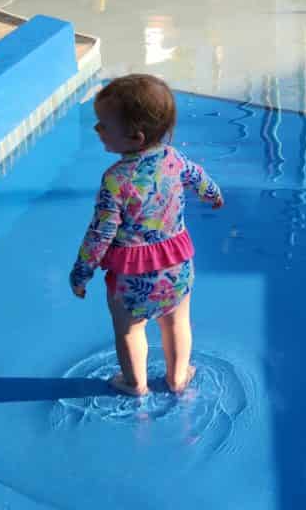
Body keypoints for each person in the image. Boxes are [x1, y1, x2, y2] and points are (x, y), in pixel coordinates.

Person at [70, 74, 224, 398]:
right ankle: (178, 378)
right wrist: (212, 194)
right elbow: (198, 177)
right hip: (177, 266)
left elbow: (100, 234)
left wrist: (81, 273)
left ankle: (134, 383)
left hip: (132, 277)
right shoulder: (174, 158)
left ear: (135, 137)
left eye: (104, 125)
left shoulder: (115, 180)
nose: (97, 129)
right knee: (177, 322)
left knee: (129, 330)